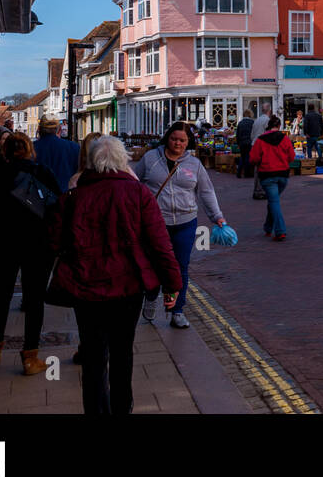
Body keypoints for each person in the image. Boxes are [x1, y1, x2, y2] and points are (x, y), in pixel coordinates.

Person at [49, 135, 183, 415]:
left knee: (94, 358)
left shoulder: (73, 196)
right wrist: (173, 285)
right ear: (122, 161)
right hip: (128, 288)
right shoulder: (139, 194)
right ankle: (122, 409)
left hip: (85, 288)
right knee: (123, 353)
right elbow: (160, 244)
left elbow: (54, 243)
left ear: (92, 162)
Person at [131, 122, 229, 330]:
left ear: (188, 142)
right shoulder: (150, 159)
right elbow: (134, 184)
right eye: (174, 139)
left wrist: (217, 216)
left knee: (180, 266)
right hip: (156, 224)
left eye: (182, 140)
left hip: (186, 221)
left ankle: (177, 310)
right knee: (154, 264)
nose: (178, 143)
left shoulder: (194, 164)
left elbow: (206, 192)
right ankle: (150, 296)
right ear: (167, 138)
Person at [0, 132, 59, 375]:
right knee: (35, 300)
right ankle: (31, 357)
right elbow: (57, 208)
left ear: (5, 152)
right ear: (30, 150)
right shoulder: (43, 173)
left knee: (1, 297)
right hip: (39, 246)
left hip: (5, 244)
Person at [249, 115, 295, 241]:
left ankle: (280, 231)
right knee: (273, 200)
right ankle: (268, 227)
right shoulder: (284, 139)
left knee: (274, 201)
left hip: (267, 175)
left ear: (268, 126)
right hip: (283, 176)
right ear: (279, 126)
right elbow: (291, 157)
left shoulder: (261, 140)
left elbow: (253, 159)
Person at [34, 116, 79, 194]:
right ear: (59, 130)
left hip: (37, 196)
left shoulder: (31, 148)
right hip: (65, 194)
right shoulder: (73, 147)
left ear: (39, 130)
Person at [235, 110, 255, 178]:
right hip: (249, 142)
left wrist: (238, 143)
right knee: (248, 157)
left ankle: (239, 172)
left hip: (242, 142)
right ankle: (247, 173)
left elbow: (237, 134)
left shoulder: (240, 123)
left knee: (242, 157)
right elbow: (253, 133)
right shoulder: (252, 122)